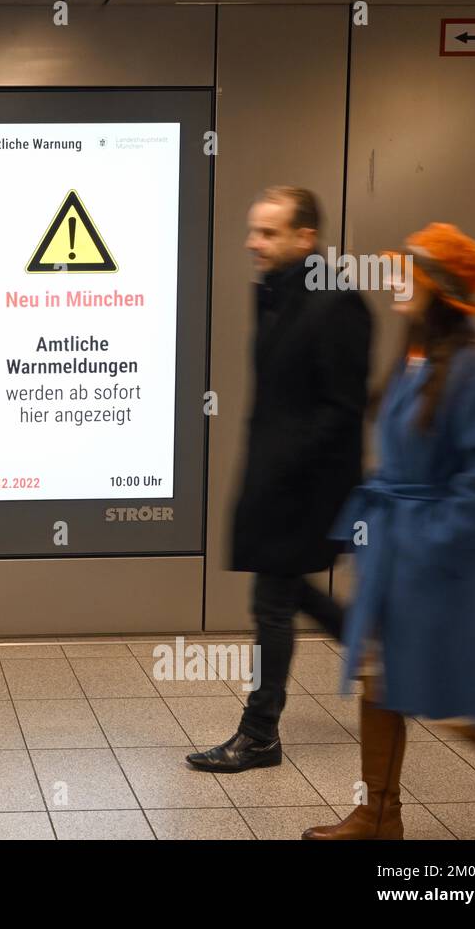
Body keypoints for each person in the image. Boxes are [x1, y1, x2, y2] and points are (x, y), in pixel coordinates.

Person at [304, 223, 475, 840]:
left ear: (440, 289)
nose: (394, 278)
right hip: (398, 548)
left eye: (408, 271)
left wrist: (427, 543)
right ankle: (378, 814)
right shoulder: (413, 359)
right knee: (381, 677)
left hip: (448, 563)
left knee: (452, 700)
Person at [187, 186, 372, 773]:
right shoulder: (279, 295)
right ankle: (380, 652)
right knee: (287, 592)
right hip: (277, 478)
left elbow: (341, 410)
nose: (253, 242)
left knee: (272, 602)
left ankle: (260, 733)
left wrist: (289, 470)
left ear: (305, 238)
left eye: (267, 233)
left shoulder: (336, 303)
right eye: (253, 230)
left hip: (306, 486)